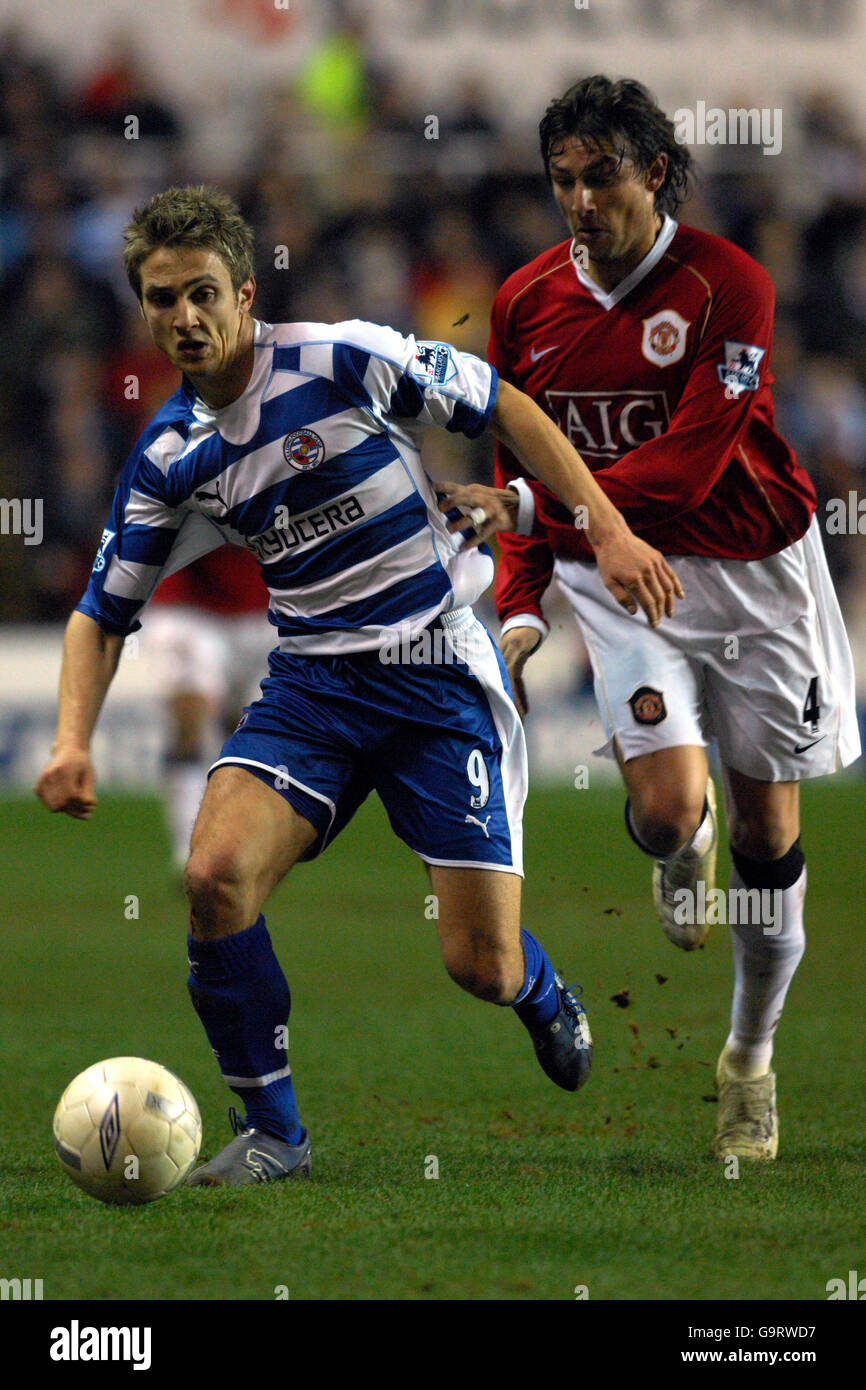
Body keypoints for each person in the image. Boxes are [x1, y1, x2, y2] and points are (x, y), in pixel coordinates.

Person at [34, 184, 680, 1187]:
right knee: (212, 876)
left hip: (435, 675)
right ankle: (273, 1132)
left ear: (246, 294)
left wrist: (601, 522)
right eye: (162, 300)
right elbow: (99, 613)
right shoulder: (169, 458)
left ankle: (542, 991)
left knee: (479, 965)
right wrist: (72, 739)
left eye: (201, 293)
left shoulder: (343, 357)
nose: (184, 317)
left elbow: (499, 401)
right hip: (313, 689)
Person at [473, 77, 860, 1160]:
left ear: (653, 174)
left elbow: (691, 462)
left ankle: (747, 1056)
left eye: (601, 175)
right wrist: (518, 602)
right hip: (617, 565)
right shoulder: (523, 302)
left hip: (748, 570)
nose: (580, 199)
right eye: (562, 180)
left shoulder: (725, 283)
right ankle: (670, 838)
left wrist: (553, 513)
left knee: (767, 837)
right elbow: (515, 455)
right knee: (659, 810)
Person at [144, 548, 273, 874]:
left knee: (242, 731)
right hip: (187, 607)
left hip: (260, 605)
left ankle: (234, 839)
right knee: (190, 721)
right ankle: (189, 849)